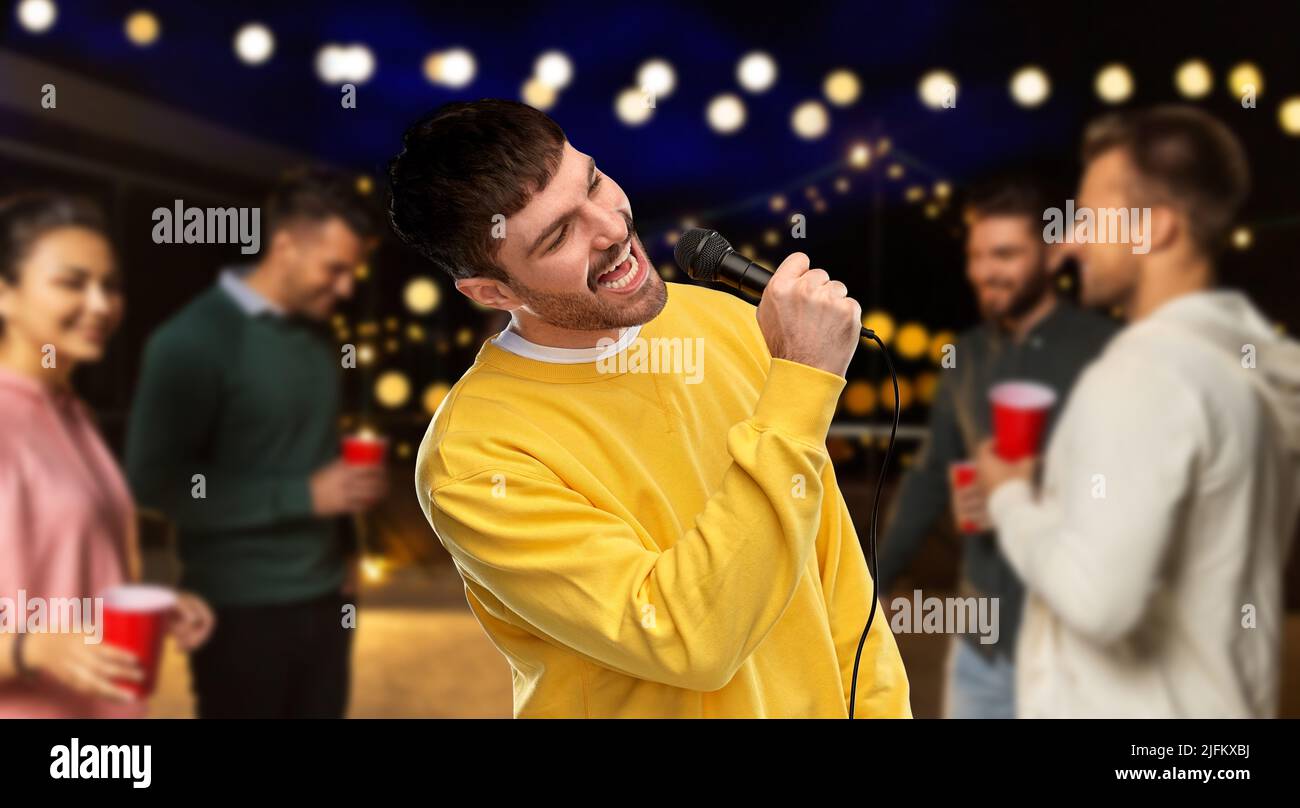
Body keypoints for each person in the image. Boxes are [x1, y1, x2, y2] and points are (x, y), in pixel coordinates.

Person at [390, 99, 910, 718]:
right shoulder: (474, 459)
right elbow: (689, 640)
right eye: (559, 234)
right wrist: (800, 388)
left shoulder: (735, 323)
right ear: (492, 292)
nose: (609, 229)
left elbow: (836, 580)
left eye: (593, 183)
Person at [977, 106, 1300, 717]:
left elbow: (1099, 601)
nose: (1069, 242)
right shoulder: (1244, 369)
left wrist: (1010, 498)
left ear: (1153, 229)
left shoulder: (1145, 375)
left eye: (1090, 219)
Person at [125, 169, 387, 718]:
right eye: (335, 269)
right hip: (237, 610)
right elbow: (156, 483)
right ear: (286, 245)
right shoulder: (190, 341)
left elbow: (304, 450)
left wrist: (346, 554)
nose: (345, 288)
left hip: (326, 599)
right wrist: (302, 496)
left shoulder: (317, 334)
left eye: (352, 273)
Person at [878, 179, 1116, 718]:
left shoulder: (1105, 348)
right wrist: (876, 579)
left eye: (1006, 253)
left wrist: (1027, 492)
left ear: (1053, 255)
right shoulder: (966, 357)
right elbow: (930, 475)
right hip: (980, 652)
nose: (987, 271)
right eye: (978, 255)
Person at [0, 192, 212, 717]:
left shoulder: (73, 413)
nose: (100, 304)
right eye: (72, 283)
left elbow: (75, 568)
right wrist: (32, 647)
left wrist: (148, 610)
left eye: (110, 286)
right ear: (5, 293)